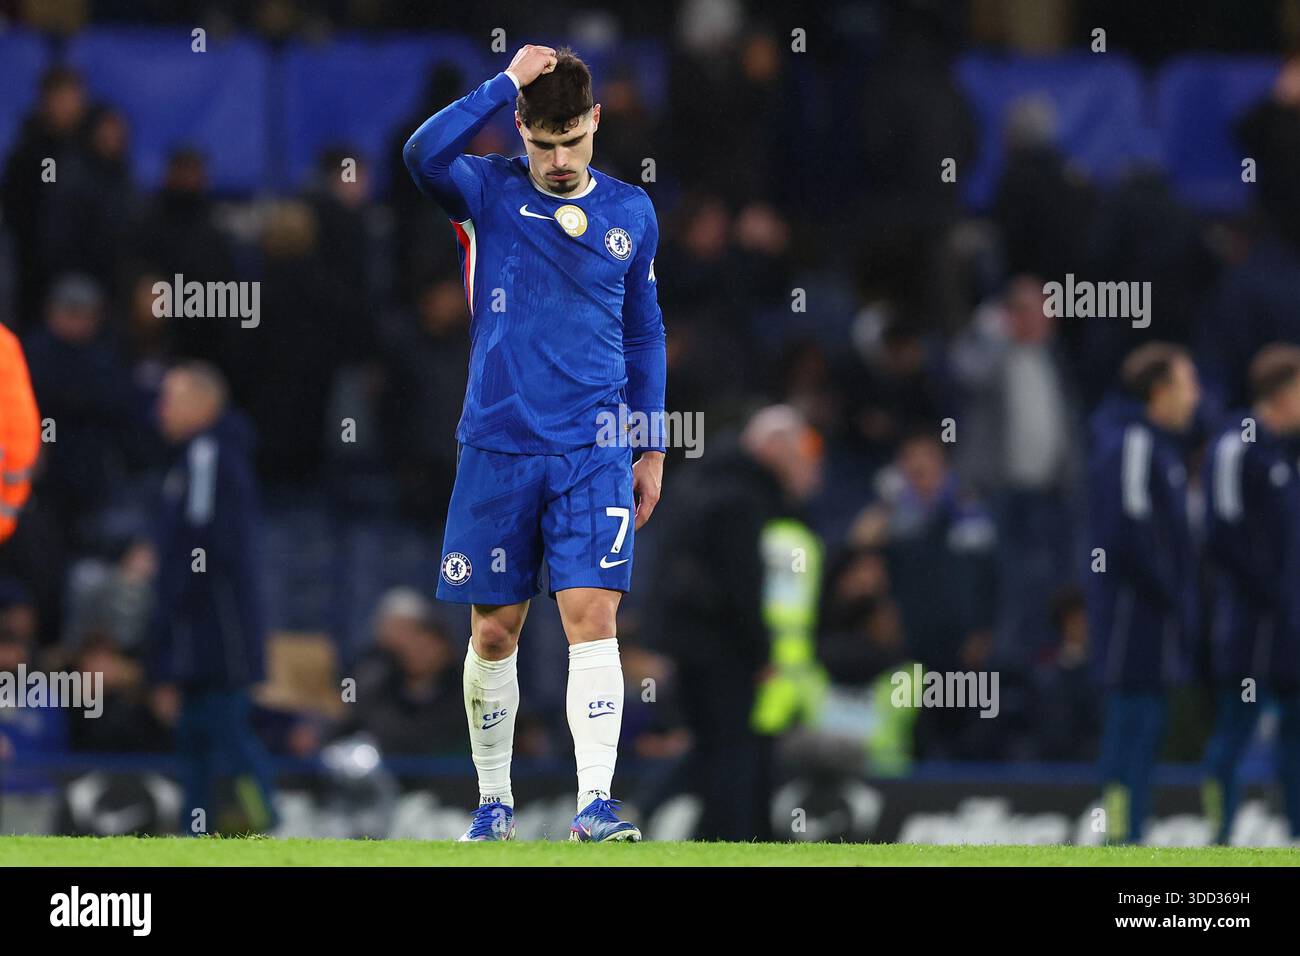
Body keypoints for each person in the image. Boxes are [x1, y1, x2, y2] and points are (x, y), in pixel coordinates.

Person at [403, 44, 666, 842]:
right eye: (541, 141)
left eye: (570, 140)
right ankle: (493, 803)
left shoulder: (631, 213)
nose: (556, 159)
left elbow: (644, 334)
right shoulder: (483, 190)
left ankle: (594, 804)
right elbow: (420, 154)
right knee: (493, 631)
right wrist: (503, 80)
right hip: (497, 445)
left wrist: (650, 446)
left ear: (595, 122)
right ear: (518, 126)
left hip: (594, 449)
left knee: (592, 617)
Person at [653, 406, 824, 840]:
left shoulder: (700, 479)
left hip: (685, 639)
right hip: (723, 645)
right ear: (772, 446)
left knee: (710, 747)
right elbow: (742, 583)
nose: (800, 462)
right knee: (734, 750)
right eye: (795, 451)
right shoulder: (743, 495)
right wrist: (760, 652)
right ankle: (733, 838)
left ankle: (664, 819)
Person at [147, 362, 277, 835]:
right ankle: (194, 834)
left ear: (203, 405)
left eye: (171, 398)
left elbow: (201, 543)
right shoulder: (190, 459)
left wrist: (173, 627)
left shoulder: (207, 453)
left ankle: (269, 822)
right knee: (196, 736)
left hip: (216, 631)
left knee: (224, 732)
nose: (160, 409)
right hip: (200, 630)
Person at [1086, 342, 1201, 843]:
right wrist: (1169, 589)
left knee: (1148, 718)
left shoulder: (1159, 446)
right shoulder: (1132, 442)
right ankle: (1118, 834)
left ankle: (1132, 830)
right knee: (1130, 720)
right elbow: (1127, 530)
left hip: (1155, 609)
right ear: (1160, 391)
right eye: (1187, 385)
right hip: (1134, 611)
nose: (1194, 398)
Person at [1201, 344, 1300, 844]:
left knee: (1296, 732)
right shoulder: (1236, 446)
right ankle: (1220, 837)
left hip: (1288, 622)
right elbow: (1220, 532)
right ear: (1282, 393)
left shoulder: (1285, 453)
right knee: (1235, 730)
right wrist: (1267, 595)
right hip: (1250, 622)